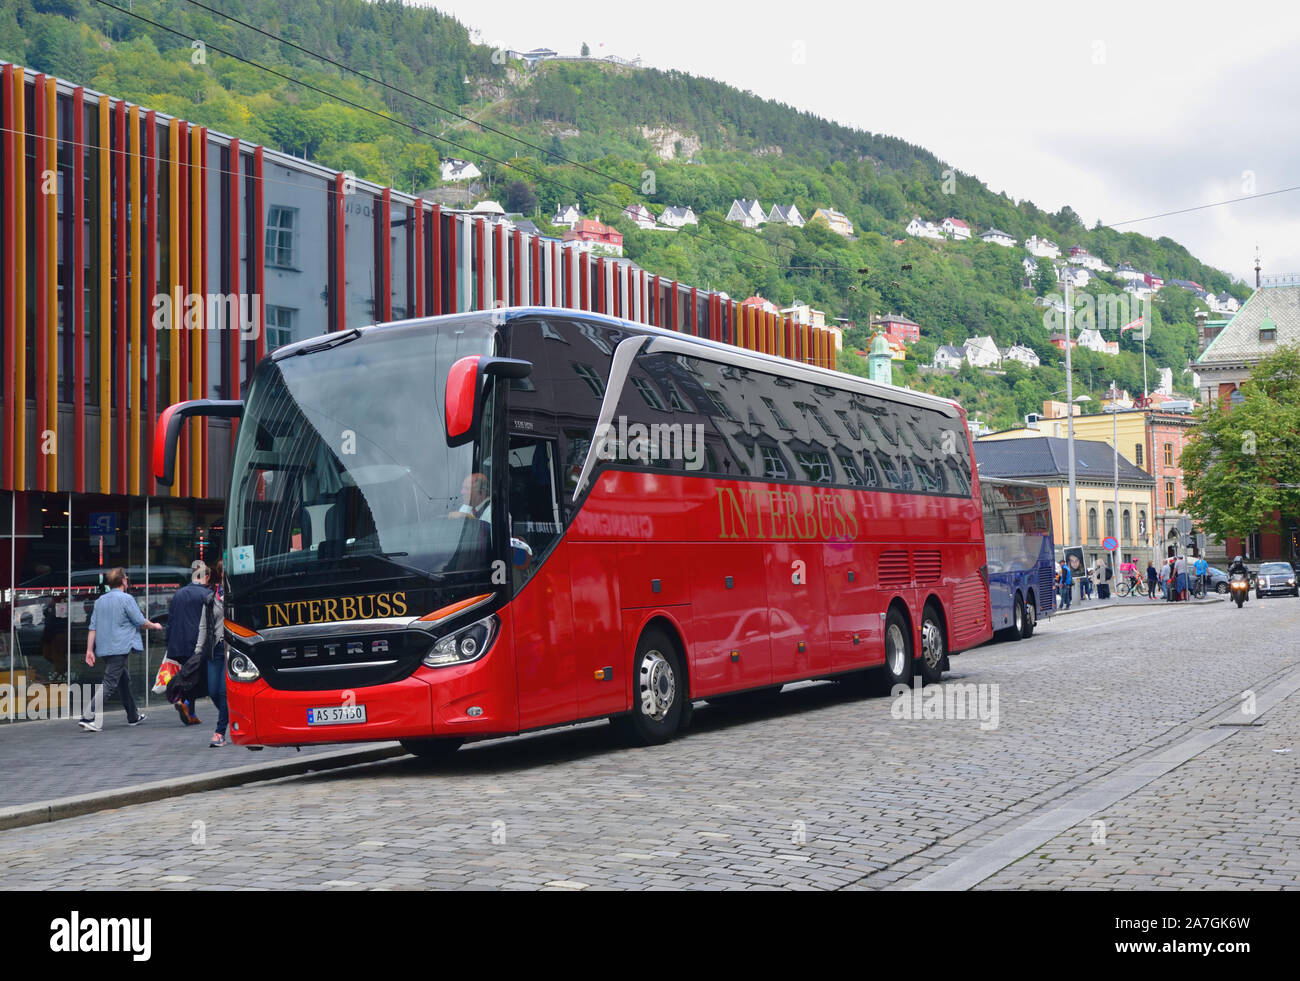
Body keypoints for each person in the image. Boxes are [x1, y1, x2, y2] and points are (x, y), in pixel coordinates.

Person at [77, 568, 163, 731]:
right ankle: (88, 716)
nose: (127, 580)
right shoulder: (126, 599)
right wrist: (155, 626)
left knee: (123, 680)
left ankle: (133, 716)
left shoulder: (100, 601)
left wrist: (89, 650)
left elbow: (92, 628)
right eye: (126, 578)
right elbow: (140, 621)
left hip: (104, 648)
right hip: (120, 647)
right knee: (110, 683)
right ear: (123, 581)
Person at [167, 561, 212, 726]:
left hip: (178, 643)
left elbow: (170, 621)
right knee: (197, 677)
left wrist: (169, 644)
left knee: (190, 676)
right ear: (205, 576)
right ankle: (184, 703)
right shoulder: (206, 595)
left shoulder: (178, 594)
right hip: (196, 643)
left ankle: (189, 710)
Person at [194, 559, 228, 747]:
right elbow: (203, 626)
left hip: (232, 650)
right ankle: (228, 714)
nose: (225, 575)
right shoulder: (210, 598)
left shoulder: (237, 594)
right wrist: (198, 650)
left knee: (223, 692)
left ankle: (219, 732)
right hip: (214, 650)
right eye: (223, 572)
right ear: (220, 574)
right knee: (213, 691)